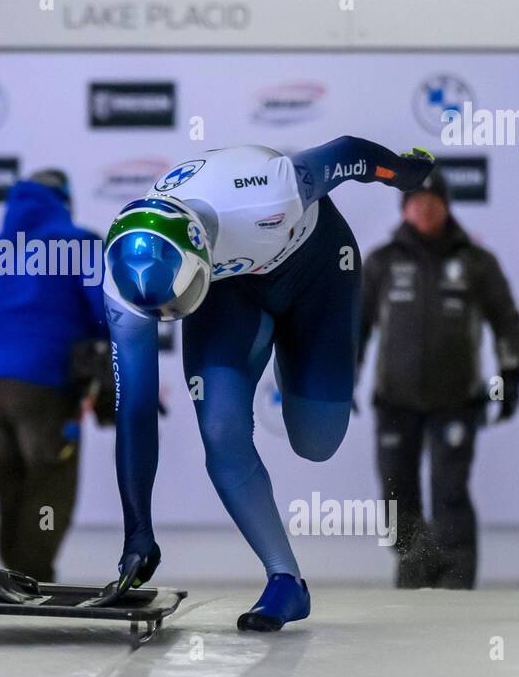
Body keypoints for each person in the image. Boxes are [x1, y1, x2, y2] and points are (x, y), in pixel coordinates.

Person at [104, 139, 435, 631]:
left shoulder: (268, 191)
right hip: (228, 295)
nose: (171, 317)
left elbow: (350, 155)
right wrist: (138, 530)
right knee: (220, 432)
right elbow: (134, 409)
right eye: (166, 314)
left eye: (179, 302)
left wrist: (405, 173)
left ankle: (291, 350)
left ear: (202, 249)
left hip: (315, 270)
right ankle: (285, 580)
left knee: (317, 441)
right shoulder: (119, 281)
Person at [359, 172, 519, 589]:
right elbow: (353, 328)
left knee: (450, 492)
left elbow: (506, 323)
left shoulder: (476, 262)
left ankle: (455, 586)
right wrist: (340, 380)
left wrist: (511, 375)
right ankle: (415, 576)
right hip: (395, 402)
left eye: (433, 201)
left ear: (447, 205)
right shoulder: (381, 261)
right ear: (403, 208)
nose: (424, 208)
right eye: (416, 201)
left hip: (457, 400)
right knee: (398, 499)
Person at [0, 170, 107, 583]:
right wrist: (110, 373)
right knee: (50, 482)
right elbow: (107, 313)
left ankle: (13, 582)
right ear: (64, 200)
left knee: (11, 483)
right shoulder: (78, 243)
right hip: (46, 383)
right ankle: (33, 582)